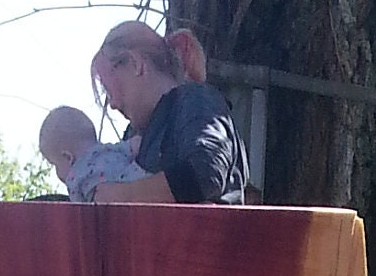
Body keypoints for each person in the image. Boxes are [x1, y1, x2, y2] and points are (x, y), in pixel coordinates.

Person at [89, 23, 248, 204]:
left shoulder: (195, 99)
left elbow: (205, 173)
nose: (113, 104)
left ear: (135, 64)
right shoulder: (134, 135)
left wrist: (120, 194)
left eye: (109, 90)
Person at [38, 105, 143, 202]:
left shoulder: (76, 180)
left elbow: (82, 215)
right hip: (142, 185)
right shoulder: (109, 149)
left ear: (67, 157)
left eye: (55, 164)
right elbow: (136, 144)